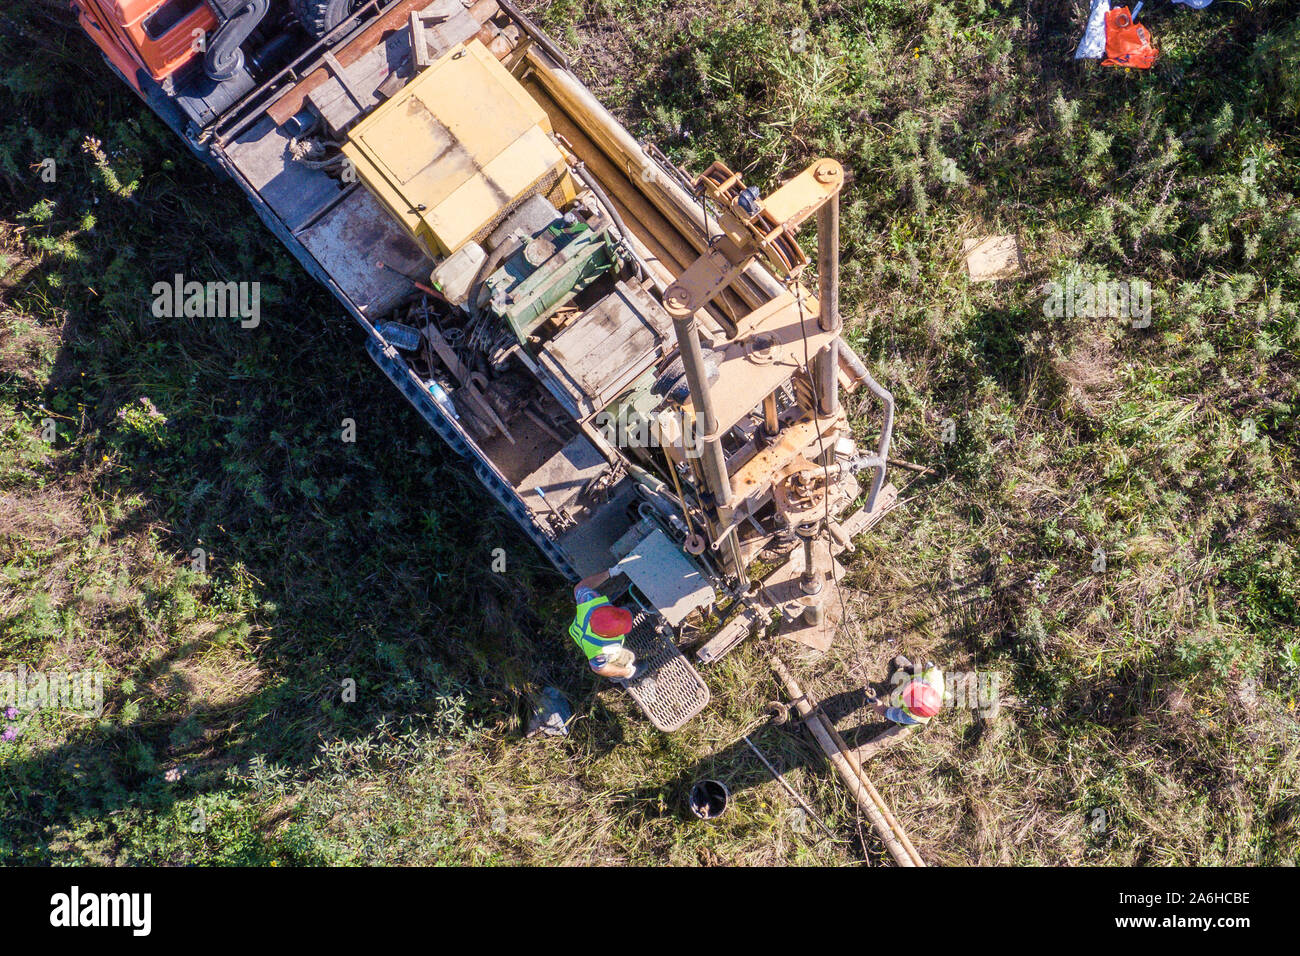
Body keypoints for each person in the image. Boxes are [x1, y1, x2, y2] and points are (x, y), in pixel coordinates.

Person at [569, 566, 636, 680]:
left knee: (629, 610)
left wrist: (610, 573)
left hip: (582, 631)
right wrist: (626, 671)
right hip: (607, 653)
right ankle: (618, 677)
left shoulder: (589, 602)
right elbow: (599, 668)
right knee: (626, 661)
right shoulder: (602, 650)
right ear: (611, 636)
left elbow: (580, 588)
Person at [872, 657, 944, 726]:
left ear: (910, 709)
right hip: (921, 679)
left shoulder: (908, 717)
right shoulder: (934, 678)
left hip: (905, 714)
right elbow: (929, 666)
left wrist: (872, 700)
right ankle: (908, 669)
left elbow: (885, 711)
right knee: (915, 672)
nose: (907, 686)